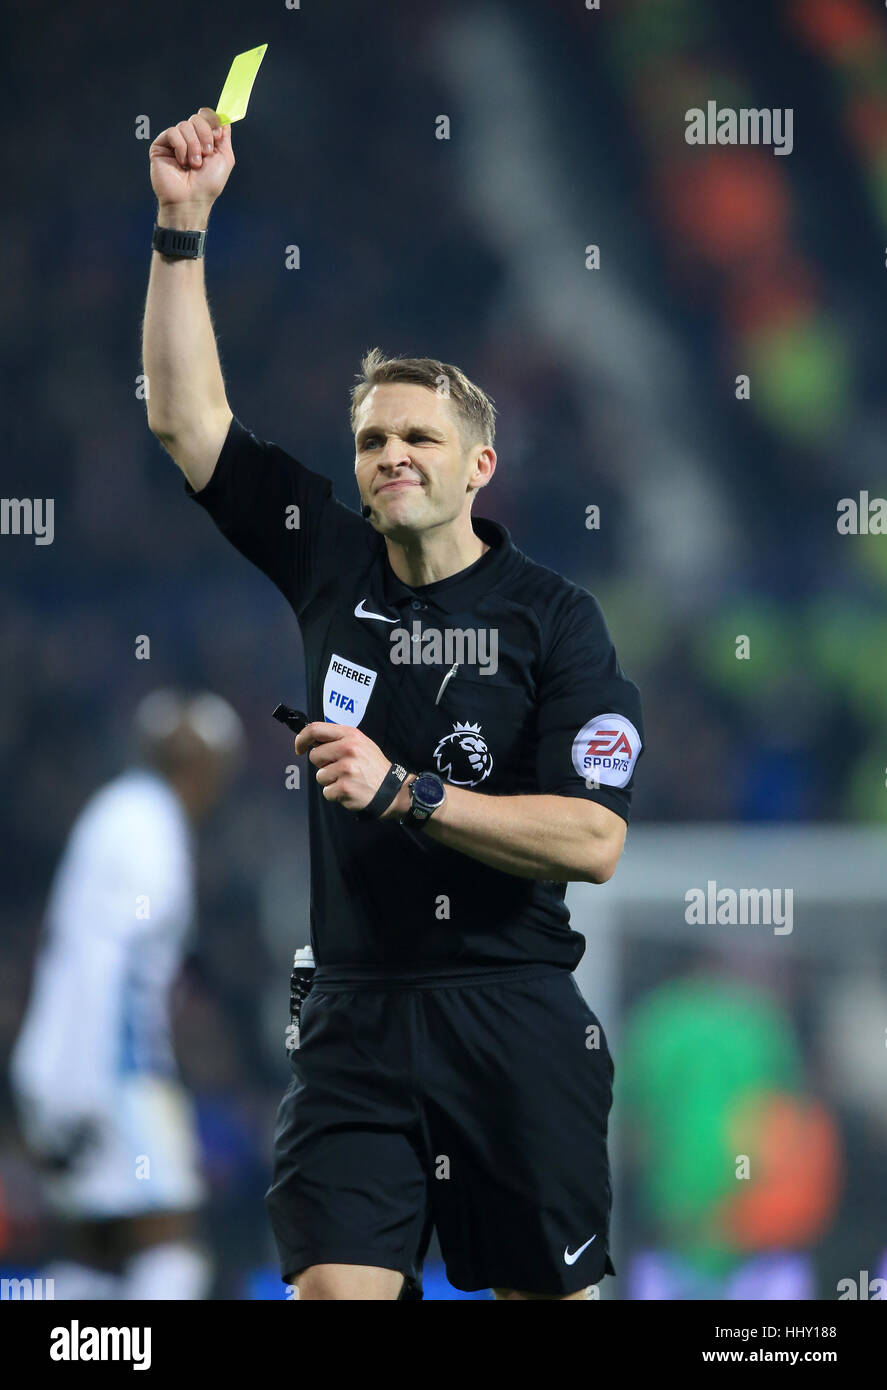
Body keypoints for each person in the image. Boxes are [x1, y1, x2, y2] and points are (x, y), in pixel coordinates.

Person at [142, 106, 644, 1302]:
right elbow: (184, 419)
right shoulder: (329, 559)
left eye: (420, 436)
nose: (390, 456)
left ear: (480, 465)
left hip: (511, 1014)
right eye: (372, 440)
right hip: (356, 1018)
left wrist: (408, 792)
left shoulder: (553, 619)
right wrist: (179, 226)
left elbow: (594, 839)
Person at [10, 690, 243, 1299]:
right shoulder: (151, 827)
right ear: (201, 767)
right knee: (173, 1238)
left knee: (98, 1243)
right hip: (110, 1069)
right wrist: (101, 1082)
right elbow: (112, 966)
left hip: (59, 1064)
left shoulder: (117, 811)